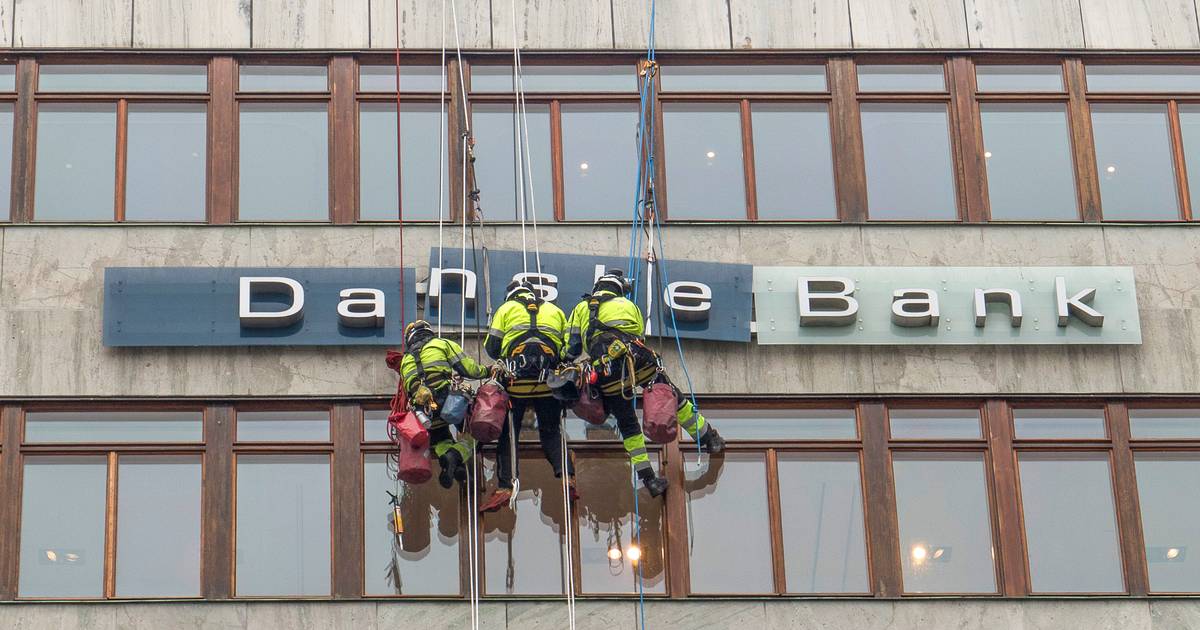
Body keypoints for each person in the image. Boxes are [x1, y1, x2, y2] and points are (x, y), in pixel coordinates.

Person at [563, 270, 724, 498]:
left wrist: (564, 365)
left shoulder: (582, 308)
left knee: (627, 424)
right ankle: (708, 438)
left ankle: (649, 479)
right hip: (637, 359)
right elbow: (639, 335)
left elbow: (572, 347)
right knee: (671, 396)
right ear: (618, 289)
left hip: (606, 371)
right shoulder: (628, 305)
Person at [478, 280, 576, 512]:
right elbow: (568, 349)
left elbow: (492, 348)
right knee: (551, 431)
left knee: (509, 435)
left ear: (511, 295)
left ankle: (505, 486)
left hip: (516, 383)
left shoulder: (506, 309)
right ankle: (567, 476)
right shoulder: (554, 310)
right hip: (548, 383)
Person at [399, 320, 490, 489]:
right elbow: (469, 370)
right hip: (449, 402)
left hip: (424, 413)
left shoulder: (405, 361)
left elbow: (408, 391)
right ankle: (456, 456)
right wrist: (489, 371)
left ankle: (454, 465)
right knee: (478, 432)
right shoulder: (442, 344)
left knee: (441, 439)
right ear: (428, 331)